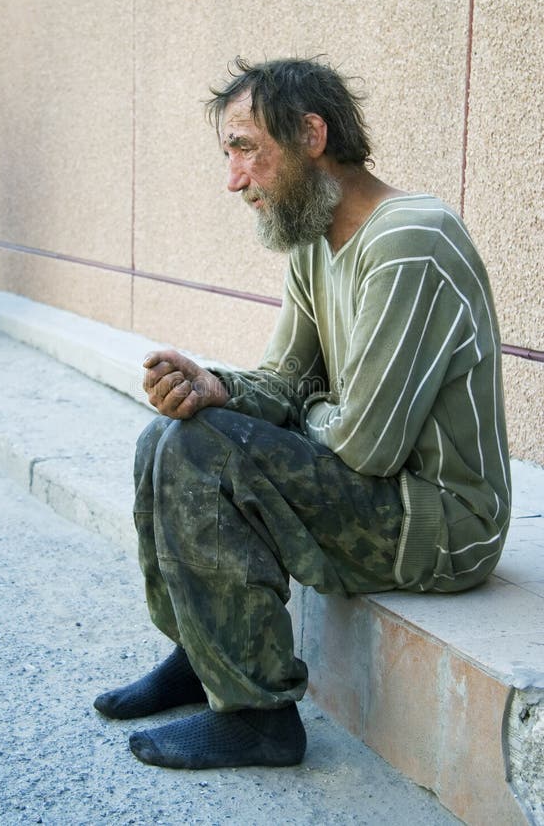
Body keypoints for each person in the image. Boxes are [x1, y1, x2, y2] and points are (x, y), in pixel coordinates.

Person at [93, 57, 511, 770]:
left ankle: (258, 718)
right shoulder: (314, 240)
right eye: (229, 155)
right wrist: (213, 387)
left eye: (247, 149)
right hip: (383, 493)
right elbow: (285, 378)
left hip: (444, 522)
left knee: (203, 452)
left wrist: (305, 405)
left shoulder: (411, 241)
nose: (233, 180)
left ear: (312, 133)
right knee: (169, 432)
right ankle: (204, 651)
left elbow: (367, 446)